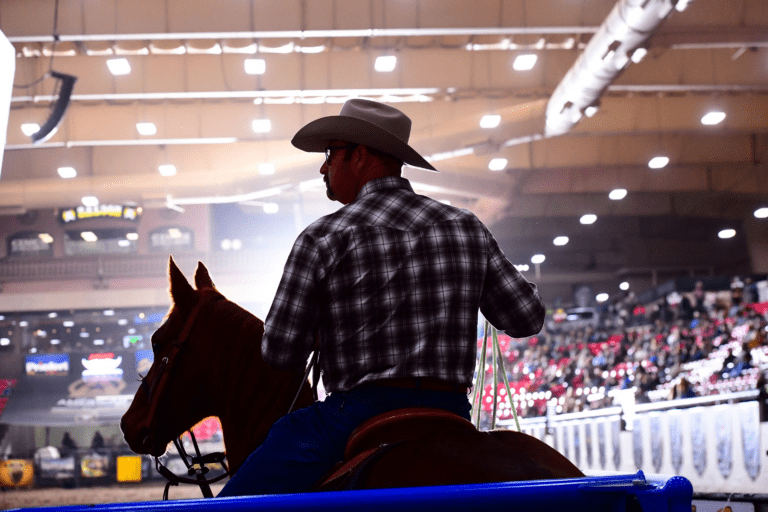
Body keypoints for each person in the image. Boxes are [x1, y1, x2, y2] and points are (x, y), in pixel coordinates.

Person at [218, 99, 546, 496]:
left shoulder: (322, 237)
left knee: (238, 499)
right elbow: (527, 317)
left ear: (359, 156)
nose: (324, 167)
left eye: (330, 154)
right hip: (449, 410)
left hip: (354, 414)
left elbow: (281, 353)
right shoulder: (465, 227)